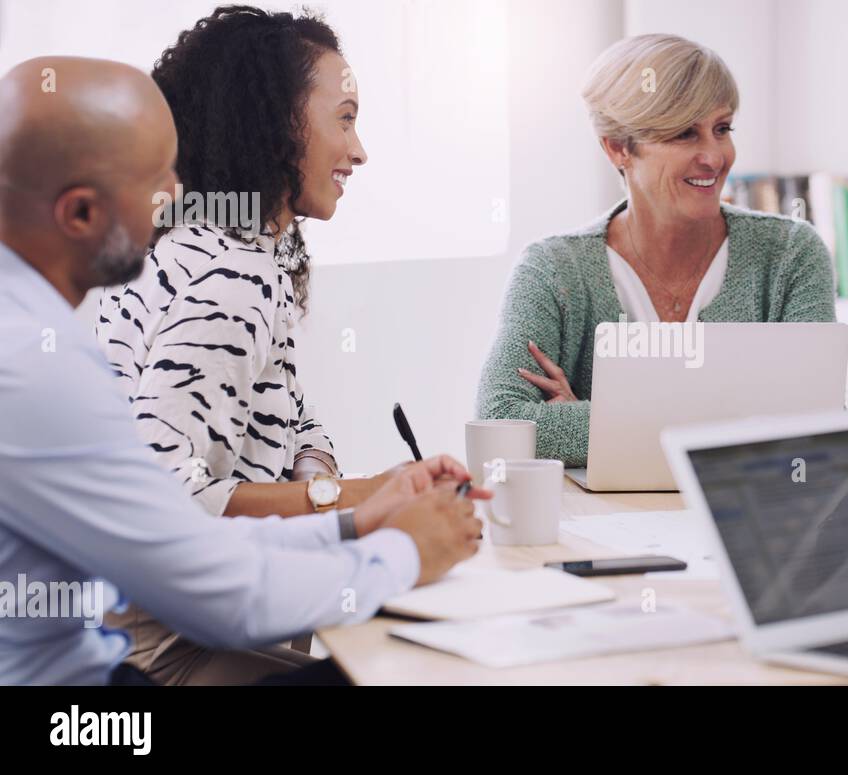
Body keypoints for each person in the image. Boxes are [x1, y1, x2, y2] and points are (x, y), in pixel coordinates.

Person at [0, 55, 487, 685]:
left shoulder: (38, 325)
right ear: (81, 214)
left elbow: (185, 540)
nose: (179, 194)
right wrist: (402, 551)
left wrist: (357, 517)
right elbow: (218, 592)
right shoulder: (37, 368)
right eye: (157, 177)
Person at [91, 6, 430, 683]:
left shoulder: (213, 246)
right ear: (276, 122)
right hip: (164, 651)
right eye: (344, 117)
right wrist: (362, 499)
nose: (359, 150)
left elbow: (292, 411)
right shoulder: (231, 275)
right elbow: (169, 496)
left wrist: (321, 476)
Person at [475, 33, 836, 466]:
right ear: (617, 148)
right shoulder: (553, 270)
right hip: (601, 529)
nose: (713, 157)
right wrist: (740, 422)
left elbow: (819, 428)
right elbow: (501, 424)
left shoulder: (791, 255)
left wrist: (592, 421)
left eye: (722, 129)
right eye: (684, 134)